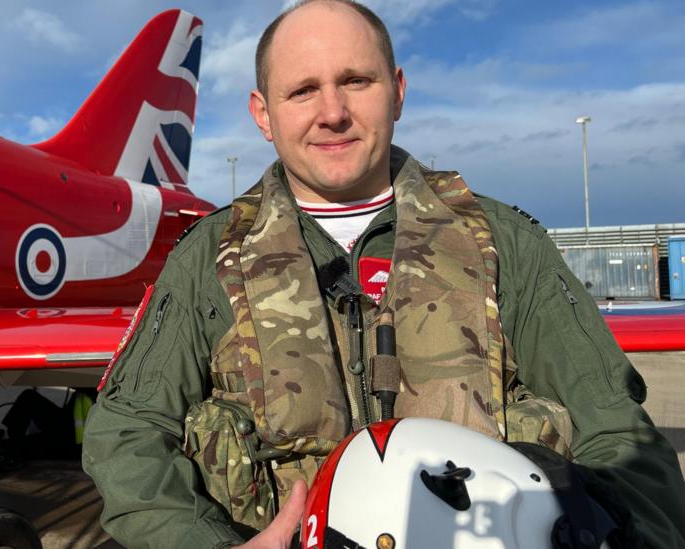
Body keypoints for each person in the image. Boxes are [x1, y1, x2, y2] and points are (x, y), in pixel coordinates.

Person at [83, 2, 685, 548]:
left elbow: (619, 437)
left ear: (397, 92)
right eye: (302, 91)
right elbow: (128, 431)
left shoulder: (506, 246)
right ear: (263, 114)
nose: (333, 113)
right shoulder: (208, 259)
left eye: (356, 81)